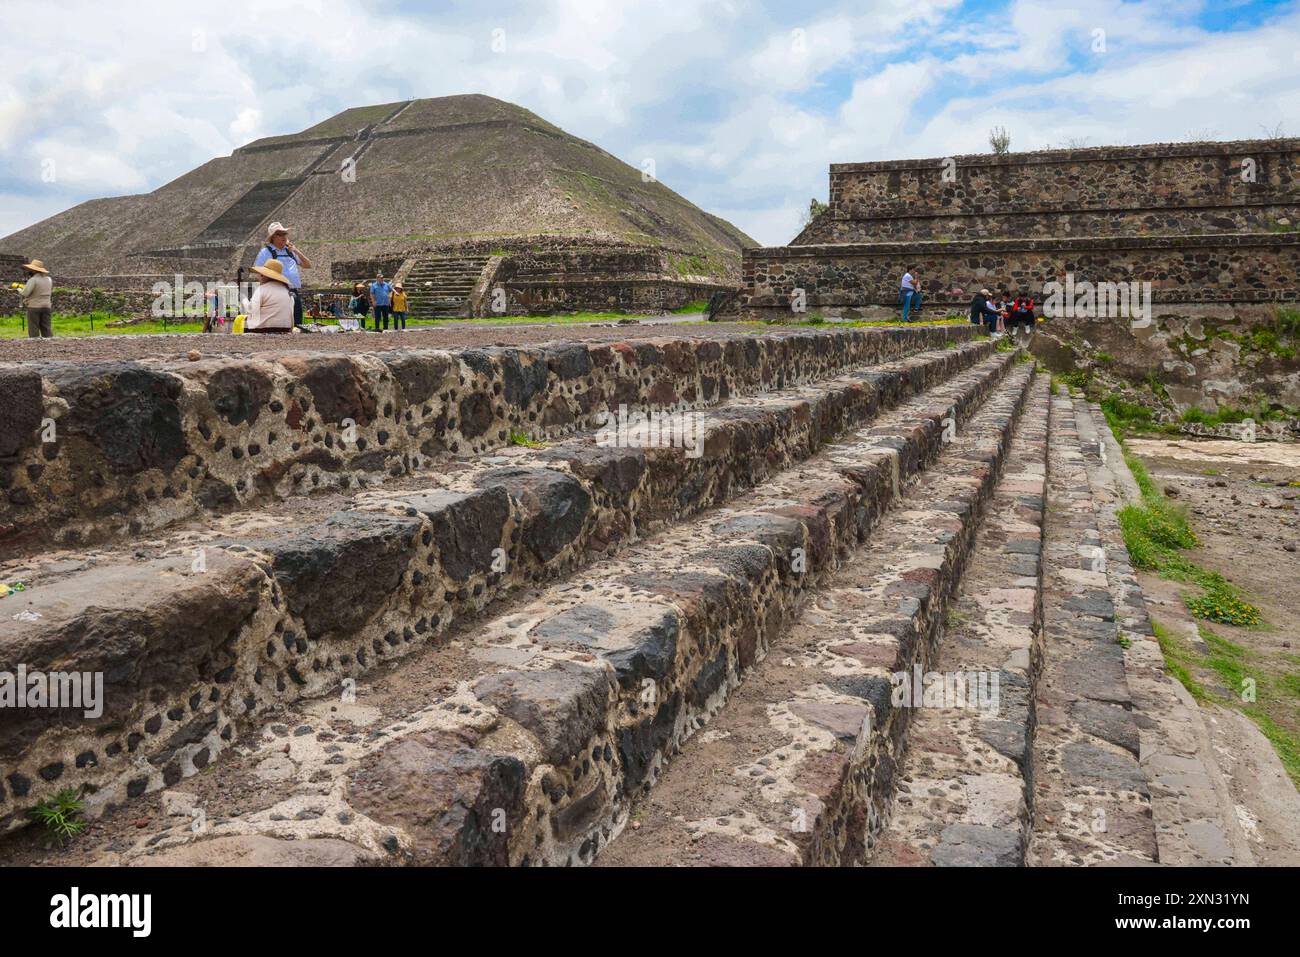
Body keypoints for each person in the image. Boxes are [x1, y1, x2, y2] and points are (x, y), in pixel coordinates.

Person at [253, 222, 311, 327]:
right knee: (281, 325)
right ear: (273, 237)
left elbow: (307, 265)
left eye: (285, 234)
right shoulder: (265, 252)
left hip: (293, 291)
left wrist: (296, 250)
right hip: (277, 292)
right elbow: (259, 272)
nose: (284, 236)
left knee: (298, 324)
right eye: (280, 234)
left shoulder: (290, 251)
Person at [241, 259, 294, 333]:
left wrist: (244, 300)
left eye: (261, 274)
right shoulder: (286, 291)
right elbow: (291, 315)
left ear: (264, 275)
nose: (259, 277)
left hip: (263, 328)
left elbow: (251, 310)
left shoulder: (262, 289)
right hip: (284, 328)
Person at [18, 259, 53, 338]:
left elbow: (25, 293)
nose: (29, 271)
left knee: (33, 328)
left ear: (34, 270)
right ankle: (50, 344)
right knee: (46, 328)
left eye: (30, 269)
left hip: (34, 307)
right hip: (47, 306)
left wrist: (19, 289)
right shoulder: (49, 279)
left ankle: (35, 345)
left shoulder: (33, 280)